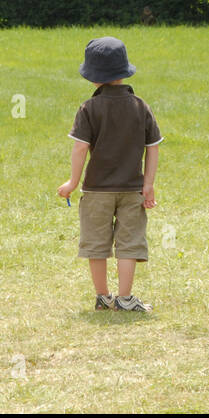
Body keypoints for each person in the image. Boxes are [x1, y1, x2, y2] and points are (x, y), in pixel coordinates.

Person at [57, 36, 161, 312]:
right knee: (129, 244)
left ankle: (103, 297)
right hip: (132, 189)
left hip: (96, 190)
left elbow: (80, 149)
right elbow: (153, 149)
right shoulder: (141, 107)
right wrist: (148, 186)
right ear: (124, 71)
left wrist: (72, 181)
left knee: (96, 243)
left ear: (94, 78)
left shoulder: (89, 108)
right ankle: (125, 299)